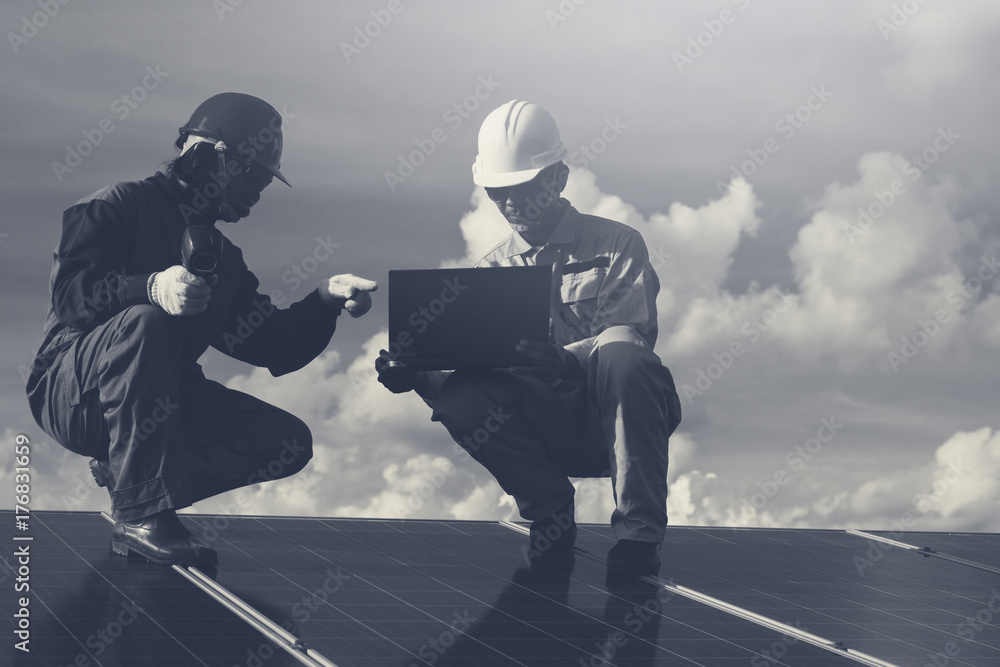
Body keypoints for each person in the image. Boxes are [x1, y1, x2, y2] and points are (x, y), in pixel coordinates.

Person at [26, 92, 378, 566]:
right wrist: (147, 286)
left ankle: (129, 478)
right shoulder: (117, 204)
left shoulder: (223, 260)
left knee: (283, 441)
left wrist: (323, 301)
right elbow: (72, 295)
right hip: (72, 392)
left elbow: (275, 344)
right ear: (208, 155)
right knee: (144, 323)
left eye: (265, 180)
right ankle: (143, 514)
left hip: (160, 402)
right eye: (251, 172)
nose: (258, 189)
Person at [376, 100, 681, 578]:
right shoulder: (489, 272)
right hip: (542, 431)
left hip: (615, 423)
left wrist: (567, 362)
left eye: (522, 189)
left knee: (620, 348)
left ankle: (638, 535)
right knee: (460, 397)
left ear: (558, 179)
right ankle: (549, 510)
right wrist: (415, 375)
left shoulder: (619, 245)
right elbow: (469, 379)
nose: (511, 205)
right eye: (498, 194)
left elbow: (634, 338)